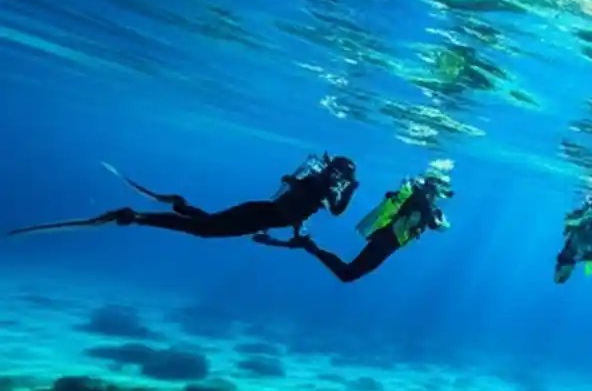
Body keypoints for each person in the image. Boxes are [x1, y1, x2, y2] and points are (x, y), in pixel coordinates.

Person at [8, 155, 357, 239]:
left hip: (263, 212)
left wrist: (336, 188)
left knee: (205, 224)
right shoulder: (321, 187)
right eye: (345, 177)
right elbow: (334, 210)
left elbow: (294, 188)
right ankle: (133, 215)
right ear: (337, 174)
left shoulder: (317, 182)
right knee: (204, 230)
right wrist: (344, 191)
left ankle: (177, 203)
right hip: (264, 216)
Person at [256, 168, 452, 283]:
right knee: (347, 274)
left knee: (348, 274)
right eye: (441, 189)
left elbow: (438, 225)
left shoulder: (423, 201)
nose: (443, 195)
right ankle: (305, 244)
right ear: (433, 186)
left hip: (388, 240)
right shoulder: (421, 199)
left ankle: (304, 244)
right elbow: (437, 224)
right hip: (387, 239)